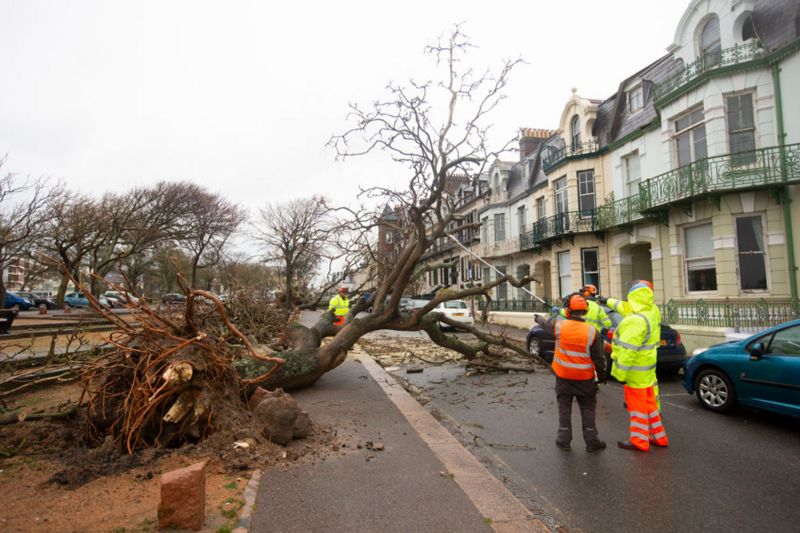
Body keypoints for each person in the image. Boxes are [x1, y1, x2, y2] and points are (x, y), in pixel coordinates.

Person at [536, 293, 607, 452]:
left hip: (563, 377)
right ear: (585, 311)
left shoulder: (560, 326)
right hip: (584, 379)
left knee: (564, 408)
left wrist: (538, 318)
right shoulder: (592, 331)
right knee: (587, 409)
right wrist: (601, 378)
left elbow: (546, 325)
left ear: (567, 311)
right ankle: (591, 441)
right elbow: (599, 359)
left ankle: (563, 440)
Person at [603, 280, 668, 452]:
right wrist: (607, 301)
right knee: (650, 405)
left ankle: (639, 441)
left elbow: (628, 350)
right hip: (647, 366)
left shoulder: (635, 321)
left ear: (633, 297)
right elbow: (623, 306)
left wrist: (620, 375)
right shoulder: (652, 311)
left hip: (635, 371)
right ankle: (658, 437)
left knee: (637, 408)